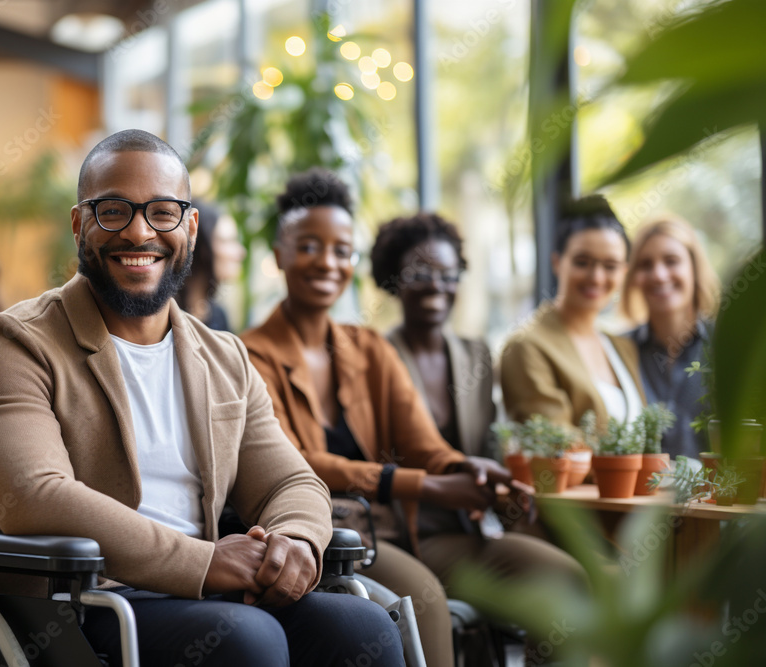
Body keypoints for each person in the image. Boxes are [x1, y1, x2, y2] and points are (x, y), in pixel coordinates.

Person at [0, 130, 404, 667]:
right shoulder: (8, 343)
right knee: (247, 638)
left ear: (189, 227)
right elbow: (36, 497)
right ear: (79, 224)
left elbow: (291, 481)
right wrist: (205, 562)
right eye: (112, 211)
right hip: (78, 604)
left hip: (211, 592)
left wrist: (295, 541)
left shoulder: (225, 357)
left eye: (163, 212)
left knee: (361, 625)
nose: (139, 232)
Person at [241, 169, 581, 666]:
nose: (327, 262)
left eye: (341, 250)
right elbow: (297, 462)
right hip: (329, 537)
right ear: (279, 255)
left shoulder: (367, 347)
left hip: (408, 532)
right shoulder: (248, 354)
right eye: (309, 246)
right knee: (423, 604)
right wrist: (425, 485)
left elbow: (422, 442)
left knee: (565, 577)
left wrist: (463, 468)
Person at [500, 195, 645, 429]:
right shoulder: (527, 346)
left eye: (610, 266)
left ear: (624, 272)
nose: (596, 277)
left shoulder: (622, 347)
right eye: (582, 262)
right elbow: (554, 441)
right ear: (557, 262)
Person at [371, 212, 495, 460]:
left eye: (449, 276)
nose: (436, 286)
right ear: (395, 280)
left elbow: (489, 444)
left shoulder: (477, 355)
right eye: (420, 275)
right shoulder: (375, 357)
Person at [622, 215, 719, 458]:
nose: (659, 275)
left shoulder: (729, 344)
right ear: (634, 276)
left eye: (671, 261)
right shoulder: (619, 351)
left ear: (694, 268)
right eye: (646, 264)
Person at [177, 198, 244, 331]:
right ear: (200, 247)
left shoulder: (218, 317)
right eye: (227, 241)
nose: (240, 252)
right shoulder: (162, 316)